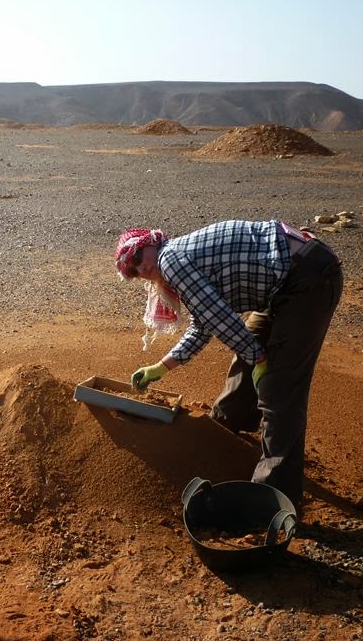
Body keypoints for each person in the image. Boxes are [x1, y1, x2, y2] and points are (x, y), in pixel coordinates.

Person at [115, 220, 343, 516]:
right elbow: (204, 324)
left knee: (278, 388)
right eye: (132, 272)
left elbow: (221, 319)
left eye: (136, 258)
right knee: (246, 360)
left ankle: (272, 499)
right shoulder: (178, 259)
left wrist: (259, 359)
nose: (139, 269)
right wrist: (161, 367)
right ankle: (223, 434)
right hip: (282, 284)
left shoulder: (169, 259)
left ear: (150, 244)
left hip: (307, 279)